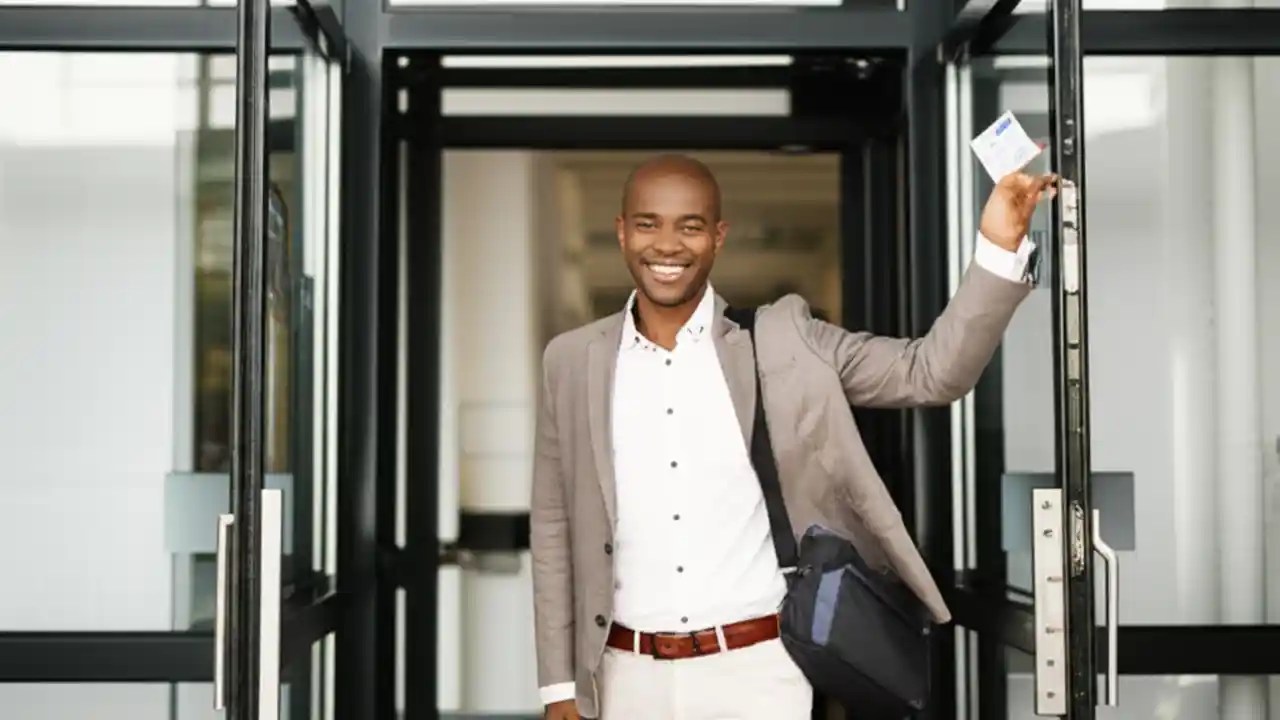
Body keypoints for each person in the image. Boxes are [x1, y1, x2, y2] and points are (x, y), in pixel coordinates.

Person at [530, 154, 1053, 720]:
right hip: (622, 676)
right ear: (622, 231)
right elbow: (554, 526)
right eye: (649, 223)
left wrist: (999, 247)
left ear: (718, 236)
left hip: (757, 675)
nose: (668, 246)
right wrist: (558, 686)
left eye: (691, 225)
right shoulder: (571, 360)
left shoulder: (782, 340)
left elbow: (930, 371)